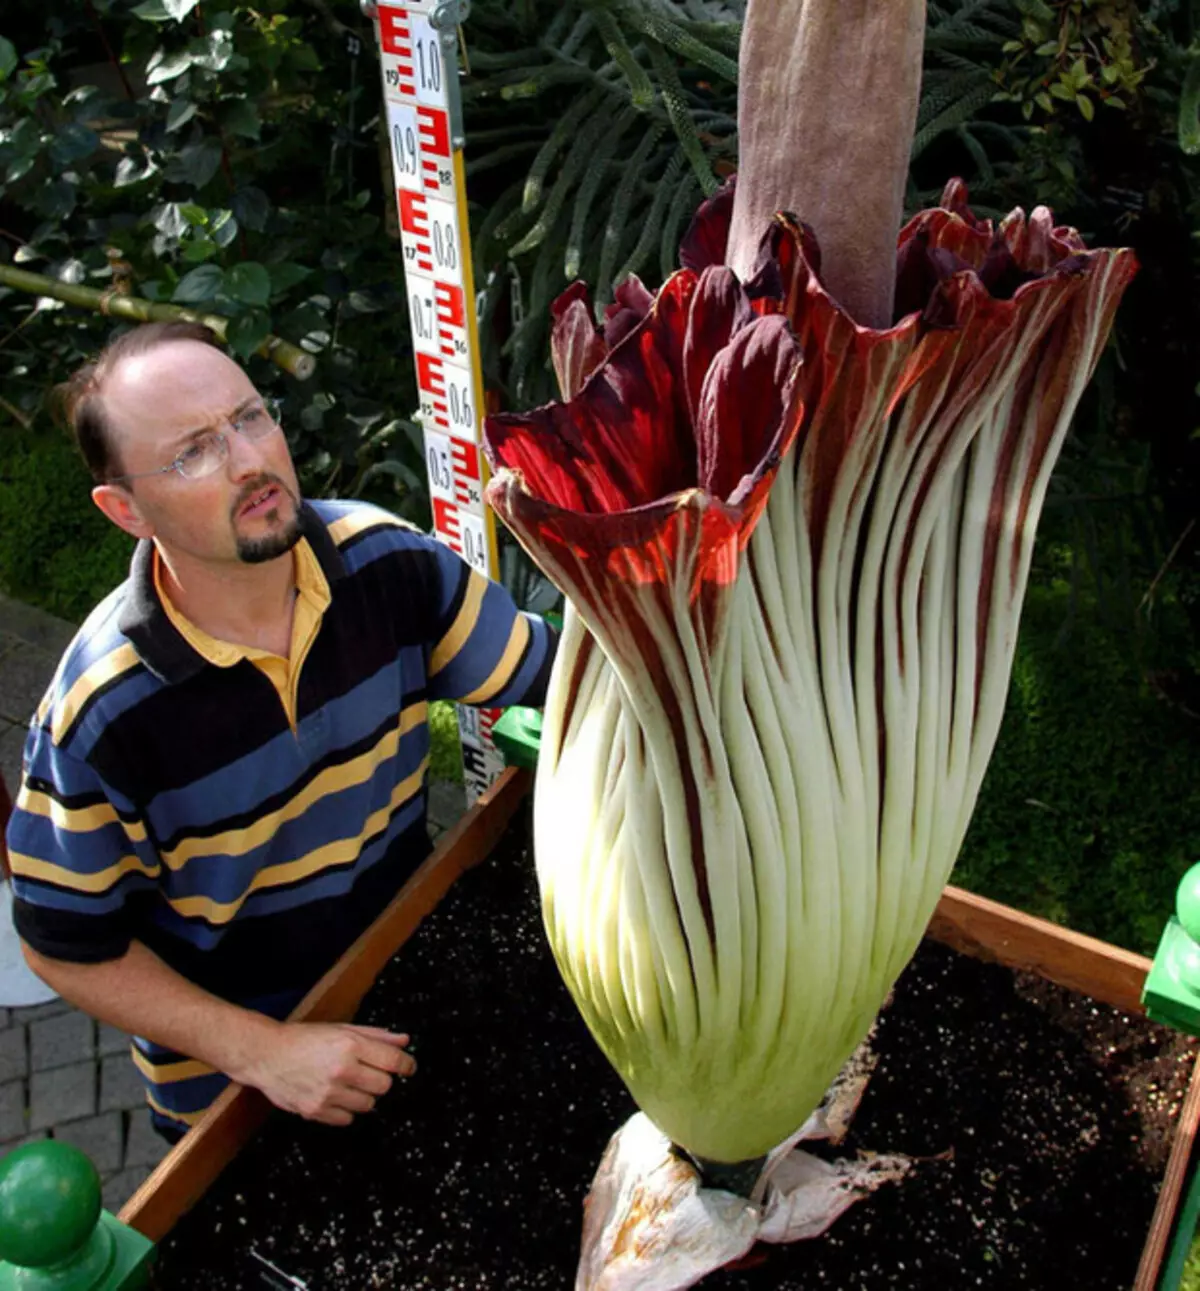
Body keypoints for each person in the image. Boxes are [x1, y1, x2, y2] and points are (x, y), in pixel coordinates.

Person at [5, 321, 557, 1142]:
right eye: (192, 452)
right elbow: (62, 943)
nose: (249, 461)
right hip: (234, 1095)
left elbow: (557, 677)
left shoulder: (386, 563)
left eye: (250, 418)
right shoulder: (98, 717)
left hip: (407, 985)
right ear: (125, 509)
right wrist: (265, 1052)